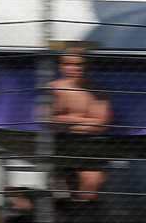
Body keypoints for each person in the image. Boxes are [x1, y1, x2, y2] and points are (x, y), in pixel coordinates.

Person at [48, 43, 112, 204]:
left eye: (79, 64)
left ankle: (84, 221)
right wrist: (87, 121)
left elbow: (102, 124)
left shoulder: (97, 91)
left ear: (87, 66)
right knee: (62, 193)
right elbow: (48, 120)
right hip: (61, 144)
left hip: (90, 146)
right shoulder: (54, 89)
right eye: (68, 64)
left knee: (91, 184)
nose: (73, 68)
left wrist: (68, 120)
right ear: (61, 66)